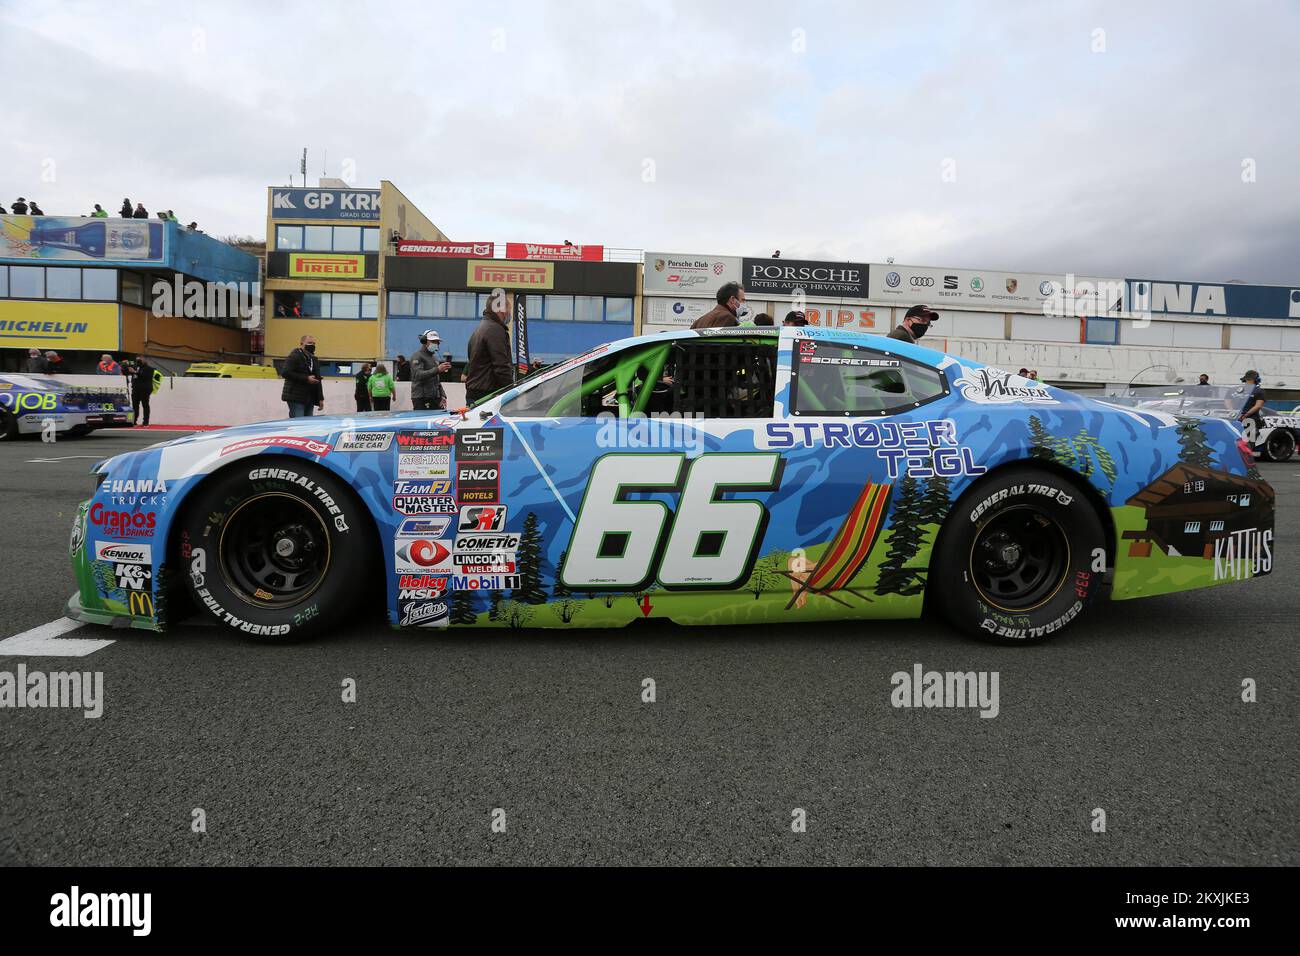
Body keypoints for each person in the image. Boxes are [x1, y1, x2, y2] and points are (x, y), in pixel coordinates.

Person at [465, 294, 514, 404]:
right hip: (487, 395)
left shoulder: (481, 328)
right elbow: (501, 366)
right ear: (501, 309)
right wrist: (512, 391)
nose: (510, 314)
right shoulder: (495, 330)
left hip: (476, 392)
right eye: (509, 309)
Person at [280, 334, 324, 418]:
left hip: (310, 397)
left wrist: (320, 398)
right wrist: (306, 378)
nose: (312, 345)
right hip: (296, 396)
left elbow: (318, 379)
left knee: (308, 424)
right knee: (298, 423)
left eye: (314, 343)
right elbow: (285, 372)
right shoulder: (294, 356)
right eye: (309, 343)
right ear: (301, 344)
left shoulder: (314, 359)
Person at [411, 329, 450, 411]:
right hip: (421, 397)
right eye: (433, 341)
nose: (436, 344)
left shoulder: (434, 358)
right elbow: (417, 375)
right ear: (424, 341)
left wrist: (442, 395)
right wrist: (437, 369)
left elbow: (436, 380)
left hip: (434, 397)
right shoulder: (417, 356)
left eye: (437, 342)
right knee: (421, 422)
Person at [1239, 370, 1266, 438]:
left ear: (1244, 379)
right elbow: (1258, 406)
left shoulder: (1237, 390)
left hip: (1235, 418)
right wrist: (1245, 416)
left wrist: (1236, 414)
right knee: (1249, 442)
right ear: (1257, 379)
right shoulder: (1259, 390)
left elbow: (1227, 401)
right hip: (1250, 419)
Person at [127, 356, 153, 426]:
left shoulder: (149, 368)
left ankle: (146, 421)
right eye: (137, 359)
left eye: (140, 359)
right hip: (135, 388)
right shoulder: (135, 367)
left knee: (145, 404)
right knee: (135, 405)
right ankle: (134, 420)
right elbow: (128, 373)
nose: (138, 360)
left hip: (145, 389)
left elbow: (145, 376)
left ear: (145, 360)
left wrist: (135, 372)